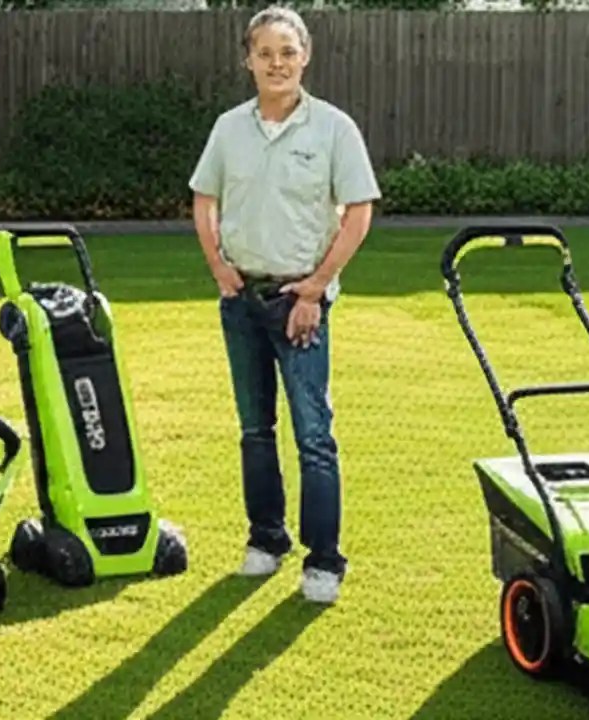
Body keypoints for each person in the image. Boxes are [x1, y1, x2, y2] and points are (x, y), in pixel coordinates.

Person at [187, 5, 381, 604]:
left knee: (314, 436)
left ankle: (323, 562)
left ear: (306, 56)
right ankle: (266, 540)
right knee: (255, 430)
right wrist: (219, 265)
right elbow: (204, 197)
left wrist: (317, 287)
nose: (277, 63)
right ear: (249, 60)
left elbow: (359, 213)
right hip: (241, 298)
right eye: (265, 53)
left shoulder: (333, 130)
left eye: (287, 52)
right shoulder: (228, 128)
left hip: (300, 301)